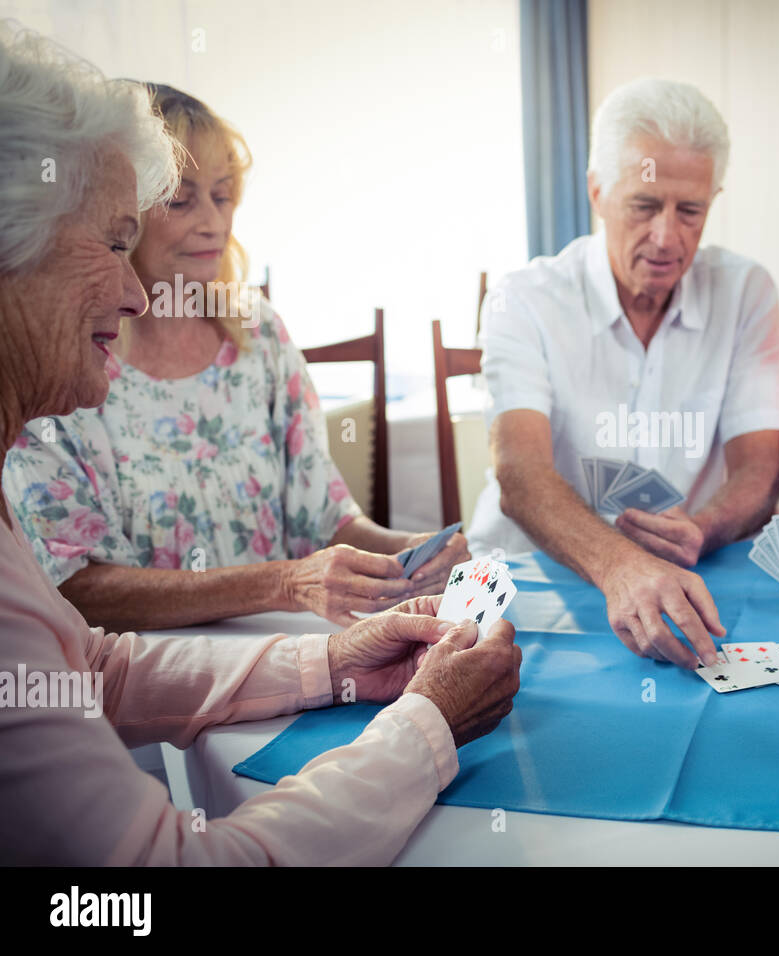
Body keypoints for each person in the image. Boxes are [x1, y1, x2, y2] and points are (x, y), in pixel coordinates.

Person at [0, 25, 520, 865]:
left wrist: (339, 657)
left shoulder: (257, 336)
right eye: (114, 240)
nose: (135, 290)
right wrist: (429, 721)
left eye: (226, 193)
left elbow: (91, 666)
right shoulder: (56, 398)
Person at [1, 82, 469, 633]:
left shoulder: (258, 333)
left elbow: (323, 518)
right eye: (180, 198)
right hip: (152, 686)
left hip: (290, 658)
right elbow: (74, 587)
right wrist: (282, 583)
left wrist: (410, 552)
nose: (213, 222)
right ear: (121, 210)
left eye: (222, 196)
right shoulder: (63, 363)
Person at [468, 78, 779, 669]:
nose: (668, 238)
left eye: (691, 211)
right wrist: (620, 563)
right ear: (597, 191)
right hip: (532, 580)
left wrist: (705, 527)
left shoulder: (747, 291)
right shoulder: (523, 298)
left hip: (681, 578)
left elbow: (762, 467)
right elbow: (520, 473)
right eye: (644, 206)